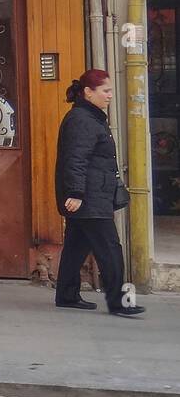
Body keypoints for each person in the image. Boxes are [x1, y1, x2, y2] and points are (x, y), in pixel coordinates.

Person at [54, 69, 145, 317]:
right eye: (105, 91)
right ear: (88, 92)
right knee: (111, 249)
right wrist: (75, 193)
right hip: (89, 197)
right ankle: (120, 302)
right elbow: (75, 159)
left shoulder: (90, 118)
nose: (110, 95)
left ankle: (66, 295)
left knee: (75, 247)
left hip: (91, 194)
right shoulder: (82, 121)